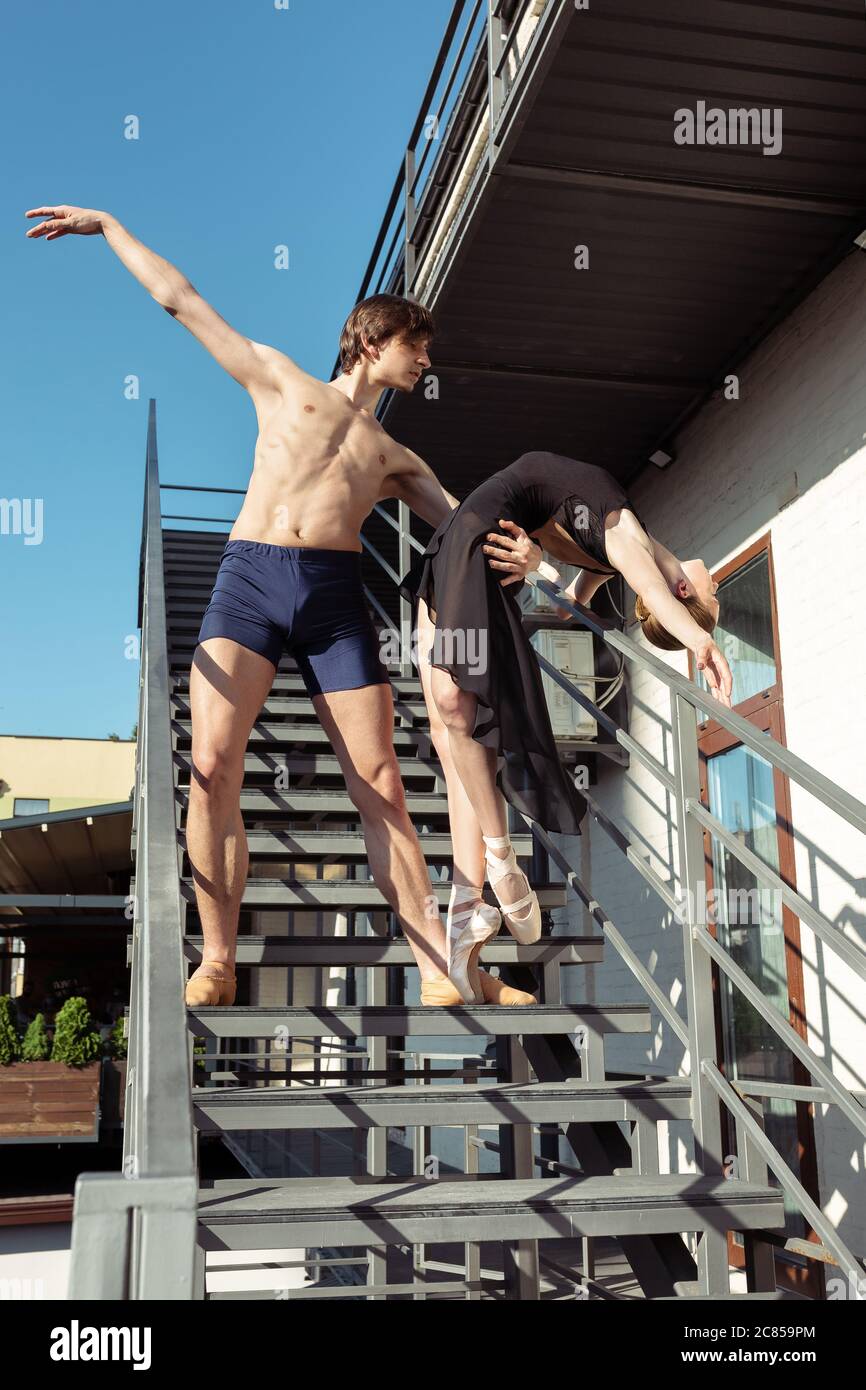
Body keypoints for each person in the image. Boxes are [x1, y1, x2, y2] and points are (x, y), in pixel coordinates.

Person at [25, 204, 535, 1008]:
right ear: (371, 340)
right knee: (212, 766)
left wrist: (541, 560)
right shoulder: (278, 378)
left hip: (334, 599)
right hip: (250, 581)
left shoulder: (396, 456)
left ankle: (443, 968)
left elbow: (471, 522)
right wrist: (111, 226)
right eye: (416, 345)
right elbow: (181, 300)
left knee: (382, 784)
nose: (425, 359)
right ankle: (219, 960)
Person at [400, 450, 732, 985]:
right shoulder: (618, 550)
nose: (714, 579)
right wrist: (540, 564)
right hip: (466, 541)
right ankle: (489, 879)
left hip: (476, 543)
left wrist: (699, 641)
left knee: (455, 712)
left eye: (711, 592)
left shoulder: (625, 538)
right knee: (452, 719)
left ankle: (489, 879)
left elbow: (639, 588)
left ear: (684, 592)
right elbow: (568, 601)